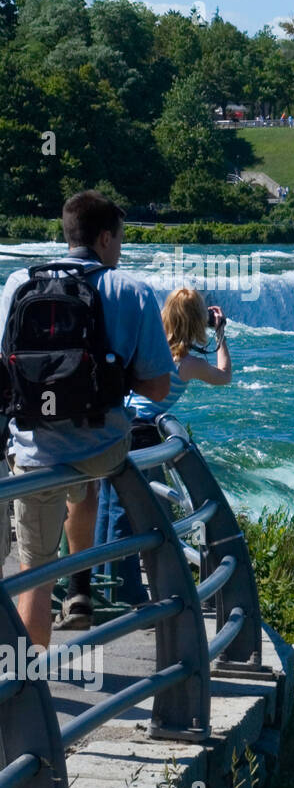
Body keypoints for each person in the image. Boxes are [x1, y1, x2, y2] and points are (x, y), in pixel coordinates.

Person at [0, 191, 173, 646]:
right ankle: (80, 587)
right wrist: (110, 380)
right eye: (119, 239)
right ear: (102, 239)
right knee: (89, 475)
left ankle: (28, 695)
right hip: (102, 447)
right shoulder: (129, 290)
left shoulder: (20, 282)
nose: (121, 248)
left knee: (34, 573)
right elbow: (158, 388)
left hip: (33, 448)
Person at [95, 287, 231, 606]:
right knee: (138, 513)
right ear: (198, 322)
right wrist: (221, 333)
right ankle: (126, 592)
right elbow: (225, 375)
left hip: (114, 425)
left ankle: (103, 585)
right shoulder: (189, 362)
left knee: (110, 506)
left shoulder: (149, 345)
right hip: (142, 435)